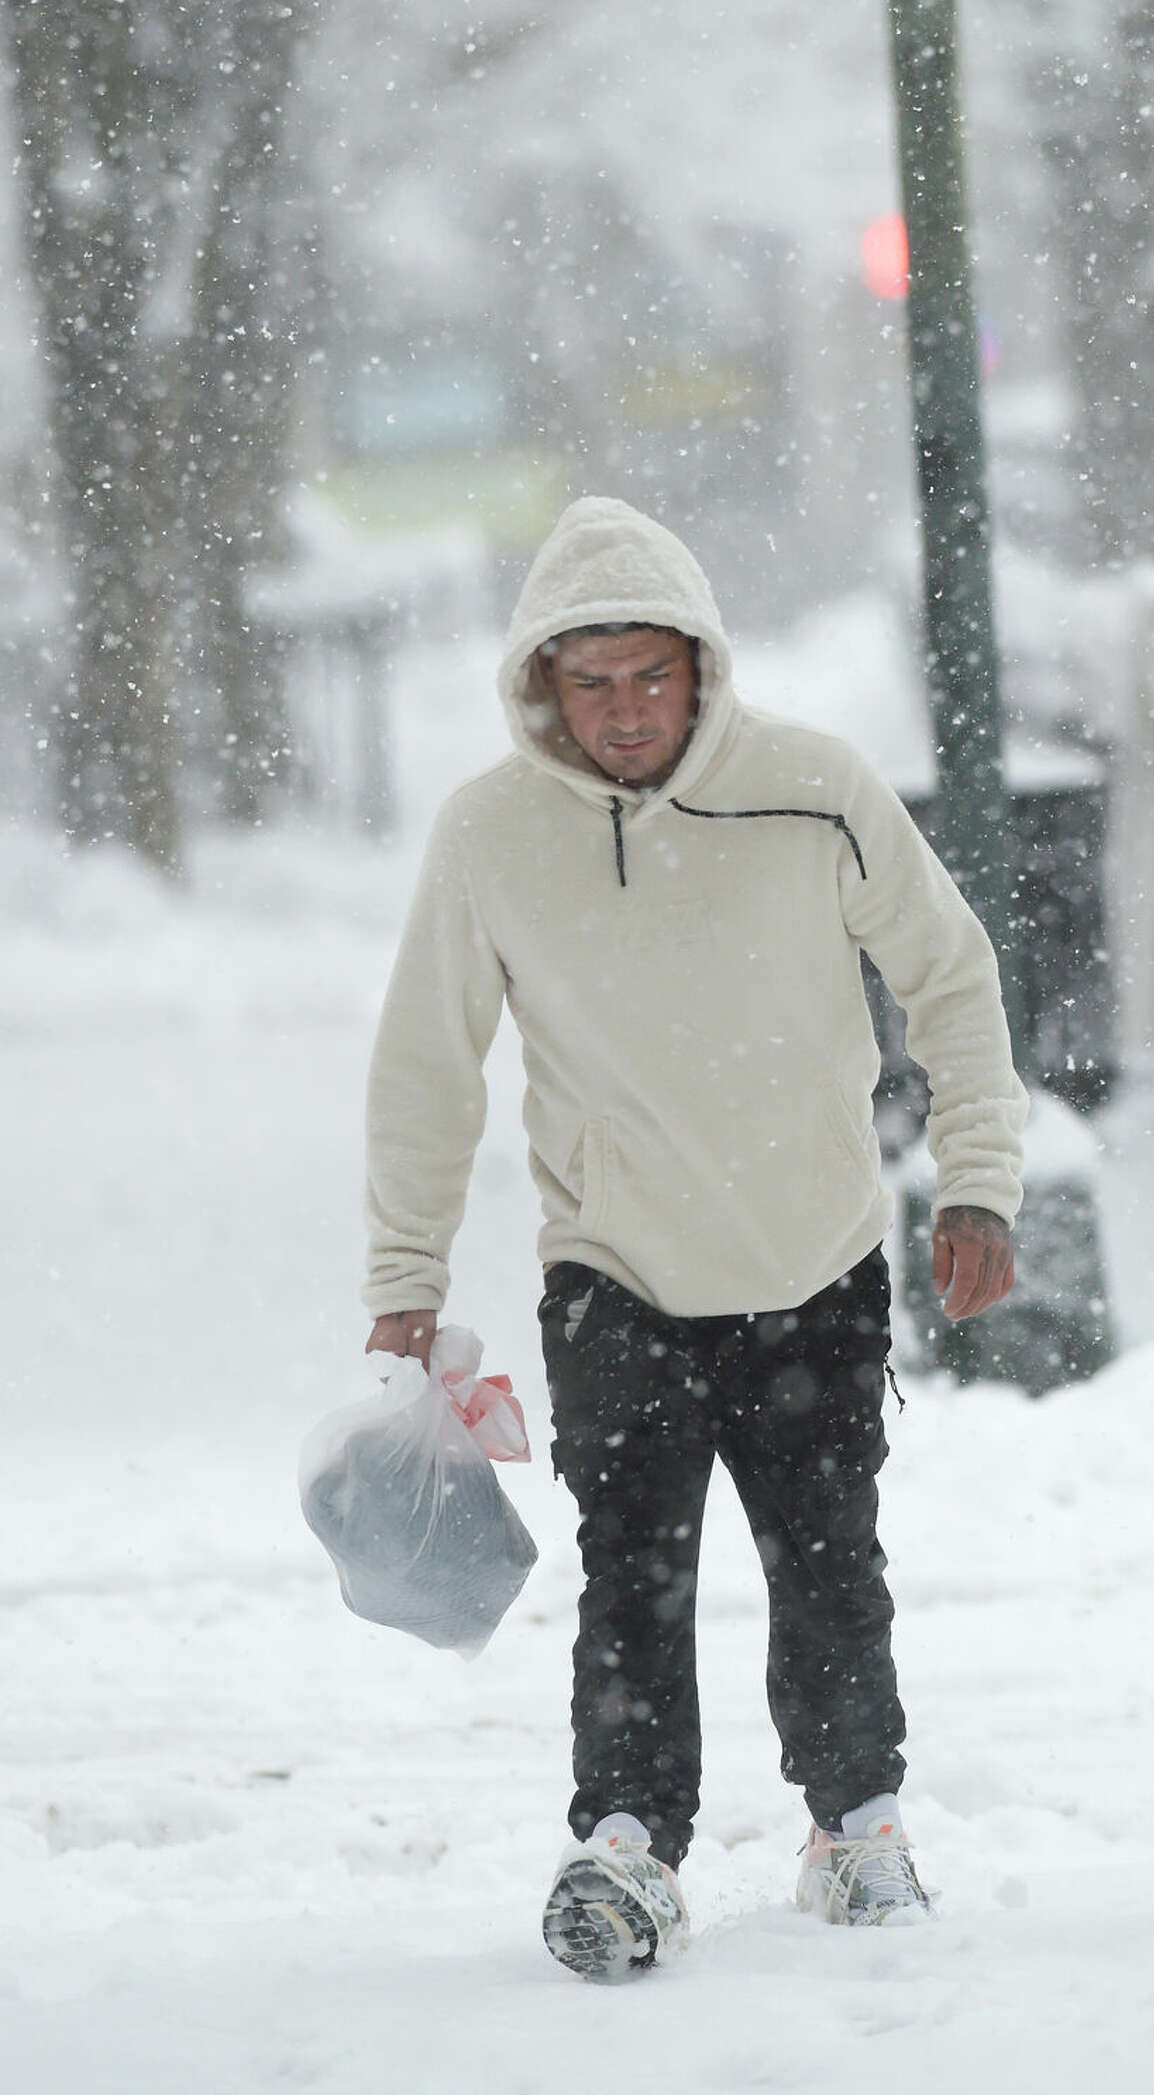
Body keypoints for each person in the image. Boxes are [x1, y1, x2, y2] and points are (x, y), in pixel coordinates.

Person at [360, 496, 1024, 1978]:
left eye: (648, 677)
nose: (621, 713)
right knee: (632, 1570)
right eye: (587, 683)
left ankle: (856, 1829)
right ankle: (627, 1845)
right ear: (542, 684)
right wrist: (403, 1282)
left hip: (814, 1257)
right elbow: (426, 1064)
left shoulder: (814, 788)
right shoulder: (490, 835)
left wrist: (977, 1181)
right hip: (618, 1270)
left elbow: (953, 974)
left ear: (701, 665)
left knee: (828, 1559)